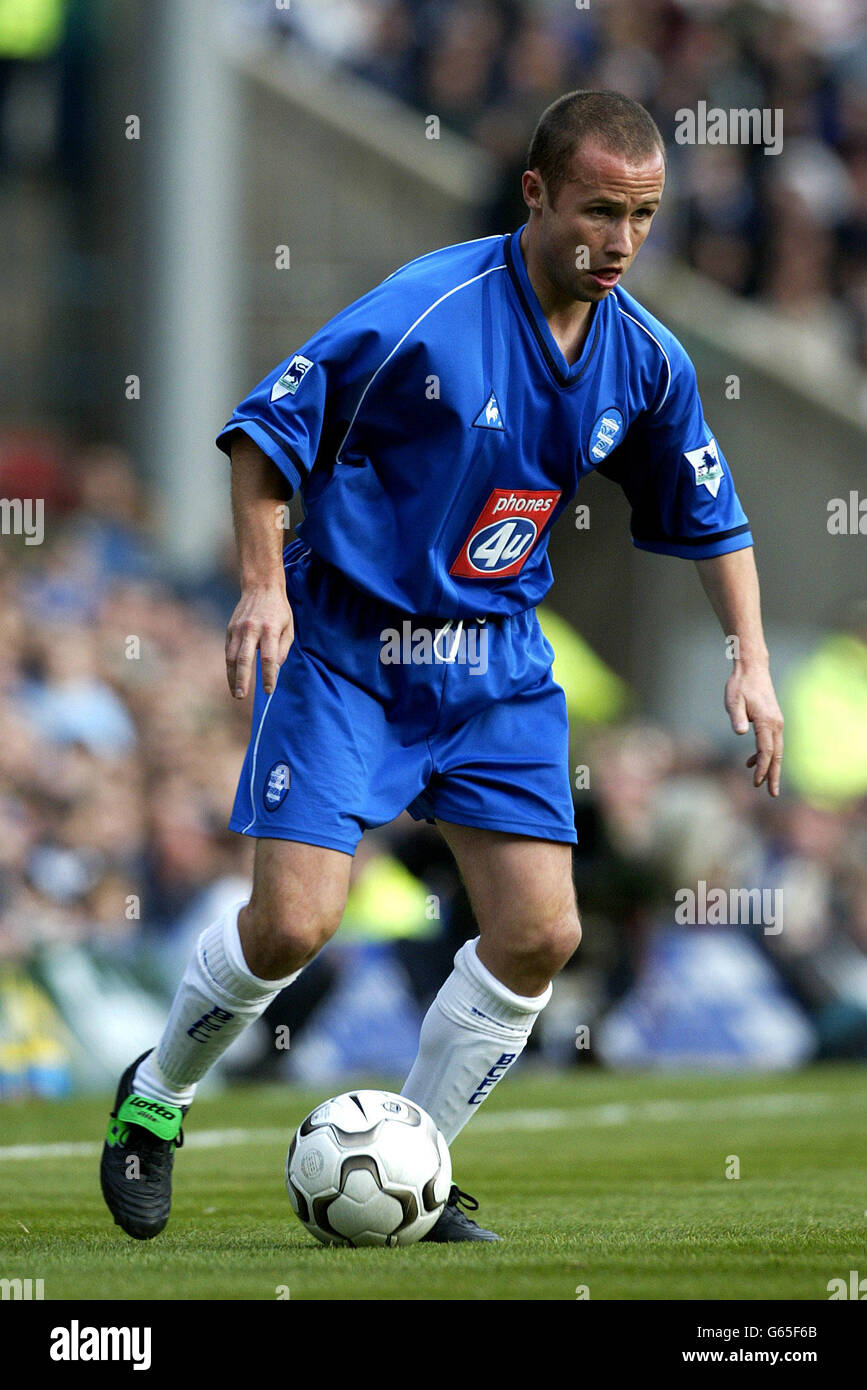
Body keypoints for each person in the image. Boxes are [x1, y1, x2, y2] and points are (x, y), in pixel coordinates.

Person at [100, 90, 784, 1243]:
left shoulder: (646, 360)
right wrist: (263, 583)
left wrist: (751, 662)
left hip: (494, 665)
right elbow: (267, 437)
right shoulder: (425, 315)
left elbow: (717, 518)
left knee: (539, 935)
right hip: (349, 648)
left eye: (643, 216)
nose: (618, 241)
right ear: (535, 196)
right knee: (293, 925)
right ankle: (156, 1098)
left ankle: (414, 1163)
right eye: (597, 211)